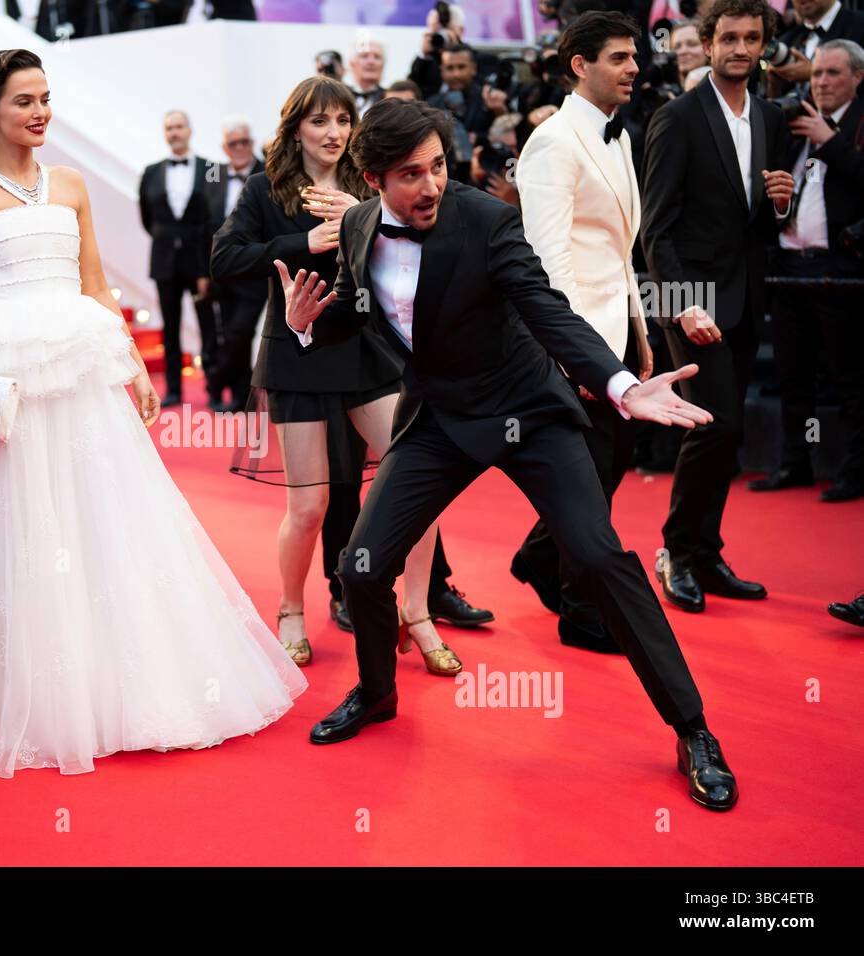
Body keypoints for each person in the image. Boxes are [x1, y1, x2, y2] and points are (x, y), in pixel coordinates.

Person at [278, 96, 740, 812]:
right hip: (439, 416)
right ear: (372, 181)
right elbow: (353, 305)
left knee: (596, 558)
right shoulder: (361, 227)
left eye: (437, 167)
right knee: (361, 565)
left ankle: (693, 730)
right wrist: (309, 326)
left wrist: (619, 385)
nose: (430, 185)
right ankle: (375, 693)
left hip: (528, 410)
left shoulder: (488, 220)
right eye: (409, 174)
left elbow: (547, 308)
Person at [0, 49, 307, 780]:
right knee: (20, 526)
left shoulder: (70, 184)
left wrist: (133, 366)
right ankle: (22, 693)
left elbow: (95, 283)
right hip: (8, 374)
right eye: (24, 100)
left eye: (45, 98)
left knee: (102, 521)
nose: (40, 112)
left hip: (82, 373)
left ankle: (115, 686)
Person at [212, 76, 485, 674]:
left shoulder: (377, 181)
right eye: (319, 122)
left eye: (342, 120)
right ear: (296, 130)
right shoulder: (264, 190)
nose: (333, 133)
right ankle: (290, 611)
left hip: (370, 349)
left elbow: (431, 241)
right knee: (308, 507)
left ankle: (417, 613)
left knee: (420, 487)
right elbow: (225, 259)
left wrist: (369, 218)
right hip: (298, 352)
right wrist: (300, 240)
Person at [642, 0, 795, 613]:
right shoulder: (676, 117)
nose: (740, 47)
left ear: (762, 46)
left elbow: (757, 223)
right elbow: (656, 228)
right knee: (717, 423)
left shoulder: (773, 117)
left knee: (724, 432)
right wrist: (681, 306)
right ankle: (677, 550)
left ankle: (704, 551)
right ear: (706, 43)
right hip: (689, 299)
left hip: (745, 292)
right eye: (728, 37)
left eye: (752, 38)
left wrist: (780, 206)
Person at [512, 11, 655, 654]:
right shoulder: (553, 140)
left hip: (616, 329)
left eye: (634, 57)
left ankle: (540, 558)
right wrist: (575, 357)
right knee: (591, 470)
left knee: (612, 460)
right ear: (580, 65)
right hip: (578, 337)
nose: (634, 68)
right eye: (620, 58)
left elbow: (621, 249)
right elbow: (547, 260)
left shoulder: (617, 138)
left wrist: (638, 330)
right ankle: (579, 608)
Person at [749, 39, 864, 502]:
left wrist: (830, 142)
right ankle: (796, 462)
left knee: (849, 379)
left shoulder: (853, 127)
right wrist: (778, 207)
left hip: (841, 273)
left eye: (833, 73)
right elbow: (778, 196)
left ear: (857, 77)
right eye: (816, 74)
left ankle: (853, 471)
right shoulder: (792, 126)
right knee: (794, 378)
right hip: (789, 272)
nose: (822, 82)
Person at [139, 110, 217, 407]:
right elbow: (147, 218)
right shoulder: (151, 171)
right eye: (169, 128)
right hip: (164, 263)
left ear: (190, 130)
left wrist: (206, 265)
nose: (174, 132)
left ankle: (213, 386)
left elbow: (215, 216)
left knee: (208, 326)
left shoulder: (211, 168)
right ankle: (173, 390)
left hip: (200, 263)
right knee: (170, 330)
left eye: (179, 127)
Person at [202, 115, 266, 414]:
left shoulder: (266, 171)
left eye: (245, 142)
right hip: (222, 271)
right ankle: (240, 398)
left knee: (241, 332)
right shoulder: (213, 172)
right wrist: (203, 271)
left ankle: (214, 380)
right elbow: (203, 225)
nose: (240, 147)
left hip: (255, 269)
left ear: (251, 143)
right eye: (233, 143)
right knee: (229, 334)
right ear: (224, 148)